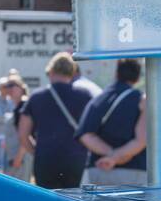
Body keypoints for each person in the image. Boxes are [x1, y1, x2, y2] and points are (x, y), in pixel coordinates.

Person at [14, 53, 94, 188]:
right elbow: (93, 129)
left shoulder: (36, 97)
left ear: (50, 71)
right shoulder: (85, 95)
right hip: (75, 159)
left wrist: (36, 151)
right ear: (72, 73)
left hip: (45, 159)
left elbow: (23, 135)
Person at [75, 57, 148, 185]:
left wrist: (110, 155)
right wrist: (115, 157)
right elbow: (141, 140)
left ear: (116, 74)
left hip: (98, 168)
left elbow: (86, 135)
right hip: (134, 170)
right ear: (137, 77)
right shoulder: (141, 100)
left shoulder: (98, 99)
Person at [0, 72, 27, 173]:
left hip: (19, 159)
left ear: (21, 88)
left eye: (12, 85)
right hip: (11, 156)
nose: (8, 89)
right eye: (7, 86)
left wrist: (18, 158)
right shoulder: (13, 105)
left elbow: (27, 135)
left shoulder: (24, 106)